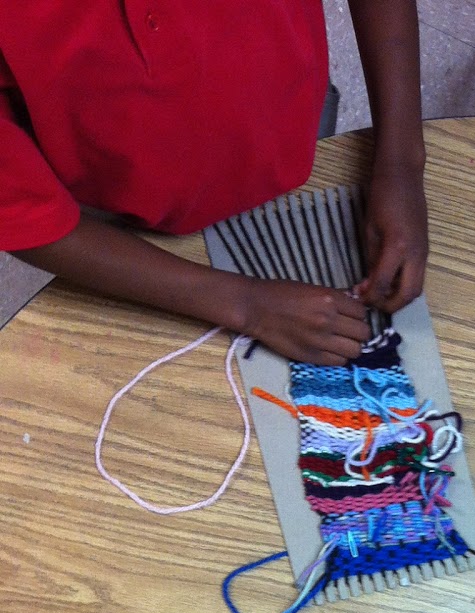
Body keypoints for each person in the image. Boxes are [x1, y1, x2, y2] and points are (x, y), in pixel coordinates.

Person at [0, 1, 427, 365]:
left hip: (291, 121)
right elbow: (21, 212)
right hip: (129, 219)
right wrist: (246, 305)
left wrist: (401, 163)